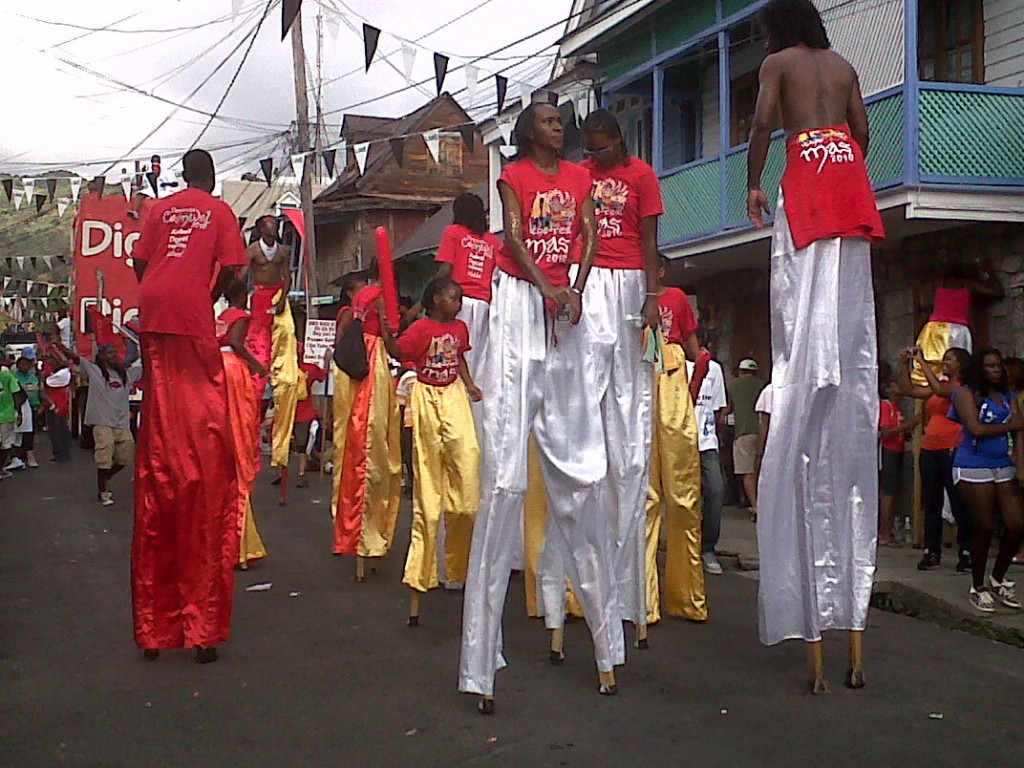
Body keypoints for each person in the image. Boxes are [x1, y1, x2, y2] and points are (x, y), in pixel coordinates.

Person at [459, 102, 621, 712]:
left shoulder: (580, 177)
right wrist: (548, 287)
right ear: (529, 131)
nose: (558, 127)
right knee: (504, 479)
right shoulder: (514, 176)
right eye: (548, 120)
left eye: (561, 121)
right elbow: (515, 236)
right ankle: (479, 665)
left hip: (567, 311)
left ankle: (607, 646)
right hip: (521, 305)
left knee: (582, 470)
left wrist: (574, 289)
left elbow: (591, 233)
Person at [747, 0, 886, 691]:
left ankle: (802, 383)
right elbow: (863, 129)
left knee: (802, 330)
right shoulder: (844, 64)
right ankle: (847, 640)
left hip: (807, 185)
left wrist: (752, 180)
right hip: (848, 188)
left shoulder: (779, 64)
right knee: (850, 332)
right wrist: (843, 162)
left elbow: (764, 124)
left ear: (777, 28)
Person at [534, 109, 672, 649]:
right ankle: (563, 597)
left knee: (631, 445)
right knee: (579, 422)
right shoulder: (579, 175)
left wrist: (654, 295)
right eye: (588, 150)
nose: (595, 157)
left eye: (603, 149)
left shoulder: (641, 175)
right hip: (588, 281)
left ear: (619, 140)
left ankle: (631, 597)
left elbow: (650, 236)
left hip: (631, 283)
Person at [131, 148, 247, 663]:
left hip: (153, 315)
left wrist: (161, 289)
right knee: (203, 459)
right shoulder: (218, 210)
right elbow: (236, 267)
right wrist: (205, 291)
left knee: (160, 456)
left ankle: (157, 626)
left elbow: (139, 260)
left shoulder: (160, 207)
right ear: (212, 176)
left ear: (182, 176)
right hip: (190, 321)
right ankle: (197, 624)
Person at [384, 277, 482, 622]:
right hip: (427, 396)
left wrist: (469, 385)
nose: (459, 302)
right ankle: (422, 573)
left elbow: (460, 360)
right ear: (438, 298)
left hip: (452, 393)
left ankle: (458, 567)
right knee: (429, 496)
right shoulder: (422, 329)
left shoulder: (460, 328)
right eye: (454, 297)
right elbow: (399, 352)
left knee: (468, 472)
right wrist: (386, 332)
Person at [646, 261, 708, 624]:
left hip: (670, 384)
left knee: (683, 495)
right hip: (640, 383)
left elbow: (691, 344)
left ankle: (686, 597)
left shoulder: (677, 298)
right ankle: (643, 599)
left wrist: (697, 366)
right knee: (645, 497)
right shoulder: (630, 295)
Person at [331, 265, 402, 573]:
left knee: (353, 441)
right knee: (376, 447)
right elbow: (387, 335)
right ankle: (369, 534)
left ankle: (354, 528)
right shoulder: (380, 297)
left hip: (354, 369)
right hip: (373, 366)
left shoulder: (360, 297)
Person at [949, 348, 1024, 613]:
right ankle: (977, 585)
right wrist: (1012, 425)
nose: (995, 370)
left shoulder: (1007, 395)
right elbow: (976, 428)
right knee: (984, 524)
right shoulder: (965, 393)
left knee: (1016, 524)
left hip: (1003, 463)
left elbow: (1021, 430)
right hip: (972, 465)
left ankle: (999, 577)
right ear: (979, 369)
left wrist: (1021, 467)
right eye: (989, 366)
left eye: (998, 365)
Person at [899, 346, 973, 571]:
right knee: (931, 501)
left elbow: (941, 391)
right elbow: (908, 389)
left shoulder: (962, 388)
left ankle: (967, 551)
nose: (944, 362)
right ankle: (932, 551)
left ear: (960, 364)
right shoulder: (938, 384)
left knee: (959, 501)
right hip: (931, 447)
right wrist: (906, 364)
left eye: (949, 359)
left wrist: (922, 362)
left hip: (953, 446)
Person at [216, 278, 269, 569]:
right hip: (234, 372)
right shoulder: (240, 317)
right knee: (241, 433)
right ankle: (239, 542)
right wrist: (255, 365)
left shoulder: (220, 317)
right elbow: (236, 344)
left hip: (217, 371)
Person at [55, 341, 142, 505]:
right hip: (102, 422)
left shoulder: (126, 374)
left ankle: (105, 477)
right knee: (105, 455)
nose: (113, 356)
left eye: (115, 353)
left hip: (121, 423)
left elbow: (149, 364)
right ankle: (103, 491)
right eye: (109, 353)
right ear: (101, 356)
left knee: (125, 458)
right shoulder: (94, 371)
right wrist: (59, 346)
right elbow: (74, 357)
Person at [244, 216, 300, 470]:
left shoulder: (283, 252)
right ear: (260, 229)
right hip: (259, 296)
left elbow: (287, 276)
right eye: (269, 225)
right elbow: (243, 274)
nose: (274, 228)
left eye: (275, 226)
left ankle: (286, 373)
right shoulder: (253, 251)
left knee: (285, 333)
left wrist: (282, 298)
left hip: (277, 294)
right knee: (259, 341)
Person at [911, 263, 1003, 387]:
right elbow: (997, 292)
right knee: (960, 365)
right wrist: (990, 274)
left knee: (934, 363)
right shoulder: (968, 286)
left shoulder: (937, 285)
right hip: (957, 330)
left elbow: (921, 306)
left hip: (934, 330)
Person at [690, 339, 728, 575]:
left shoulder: (714, 369)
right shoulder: (674, 364)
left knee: (715, 489)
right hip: (679, 441)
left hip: (706, 442)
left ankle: (708, 547)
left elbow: (719, 408)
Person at [878, 379, 919, 546]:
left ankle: (889, 532)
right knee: (888, 493)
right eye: (895, 384)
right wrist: (909, 424)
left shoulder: (897, 408)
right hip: (888, 451)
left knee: (893, 492)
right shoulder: (886, 406)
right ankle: (884, 534)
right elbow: (886, 432)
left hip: (897, 449)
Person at [727, 359, 766, 523]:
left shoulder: (733, 386)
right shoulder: (763, 385)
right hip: (763, 431)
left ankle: (756, 507)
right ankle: (765, 505)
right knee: (761, 470)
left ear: (740, 371)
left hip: (743, 432)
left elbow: (728, 408)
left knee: (747, 471)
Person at [293, 308, 327, 488]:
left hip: (291, 410)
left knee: (289, 444)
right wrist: (327, 358)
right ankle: (300, 473)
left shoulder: (284, 369)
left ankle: (285, 473)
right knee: (301, 446)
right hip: (304, 413)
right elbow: (324, 374)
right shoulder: (310, 368)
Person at [41, 347, 73, 463]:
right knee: (55, 431)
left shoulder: (62, 373)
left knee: (59, 430)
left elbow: (46, 384)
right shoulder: (54, 370)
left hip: (58, 405)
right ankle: (59, 454)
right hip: (52, 405)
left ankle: (62, 454)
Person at [11, 353, 41, 469]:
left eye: (26, 364)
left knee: (30, 433)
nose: (24, 366)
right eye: (22, 364)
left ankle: (27, 456)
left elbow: (39, 391)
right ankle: (18, 457)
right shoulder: (14, 378)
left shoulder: (34, 378)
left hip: (33, 407)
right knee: (18, 433)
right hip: (21, 408)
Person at [128, 154, 181, 219]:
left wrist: (165, 184)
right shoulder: (148, 173)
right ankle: (135, 211)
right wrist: (142, 172)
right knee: (140, 194)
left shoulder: (167, 172)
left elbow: (175, 184)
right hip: (152, 191)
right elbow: (139, 184)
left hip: (165, 191)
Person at [0, 361, 26, 480]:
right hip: (7, 415)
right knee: (6, 444)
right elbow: (16, 394)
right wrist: (19, 412)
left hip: (6, 415)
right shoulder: (8, 376)